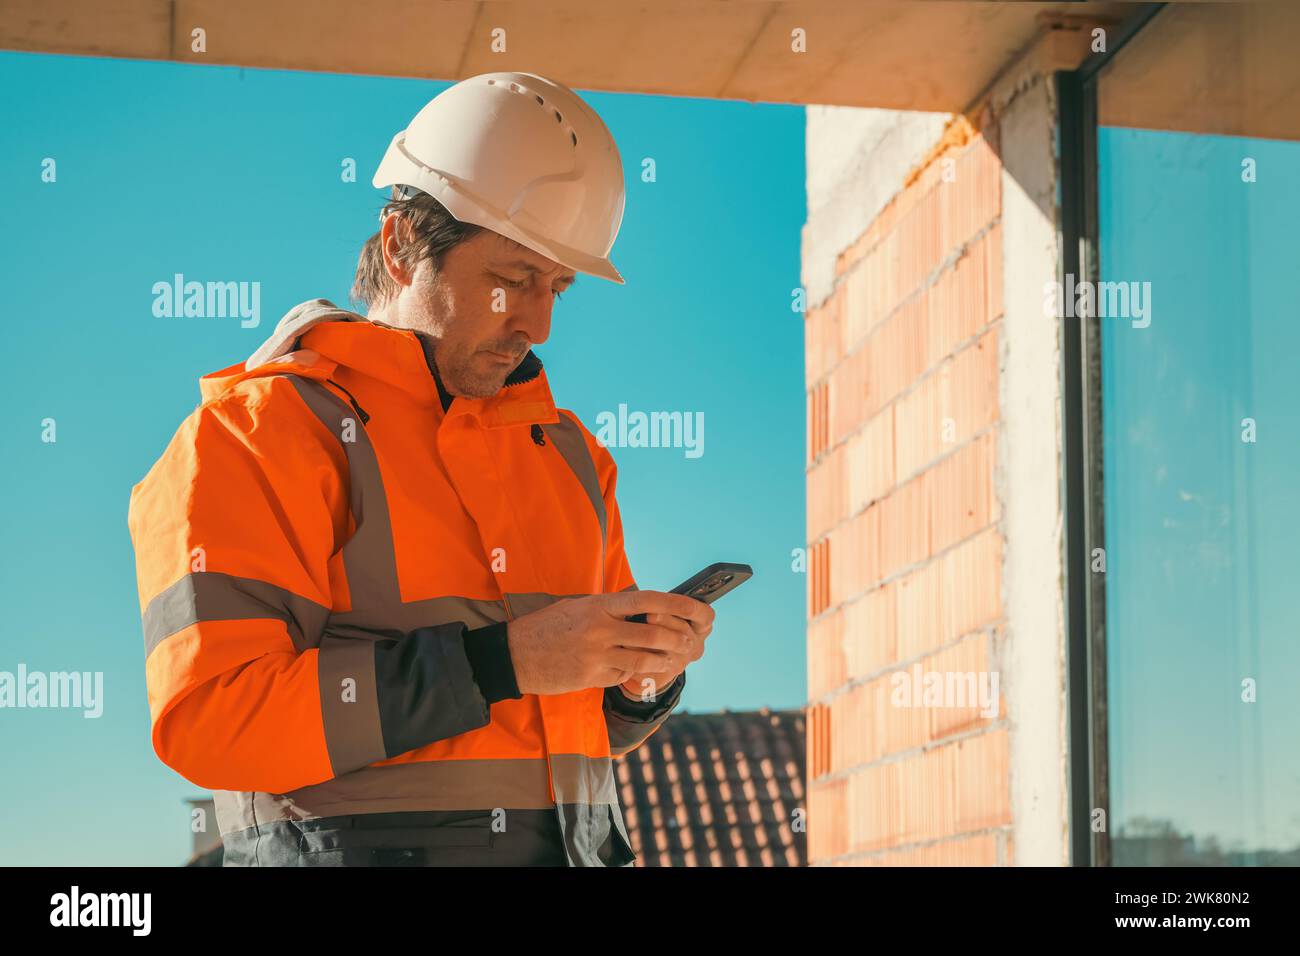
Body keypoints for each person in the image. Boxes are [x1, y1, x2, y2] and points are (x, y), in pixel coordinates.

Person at [127, 71, 714, 867]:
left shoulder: (568, 454)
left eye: (557, 288)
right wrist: (501, 662)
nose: (538, 322)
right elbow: (216, 721)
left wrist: (641, 680)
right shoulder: (257, 433)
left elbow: (583, 726)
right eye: (510, 279)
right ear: (403, 244)